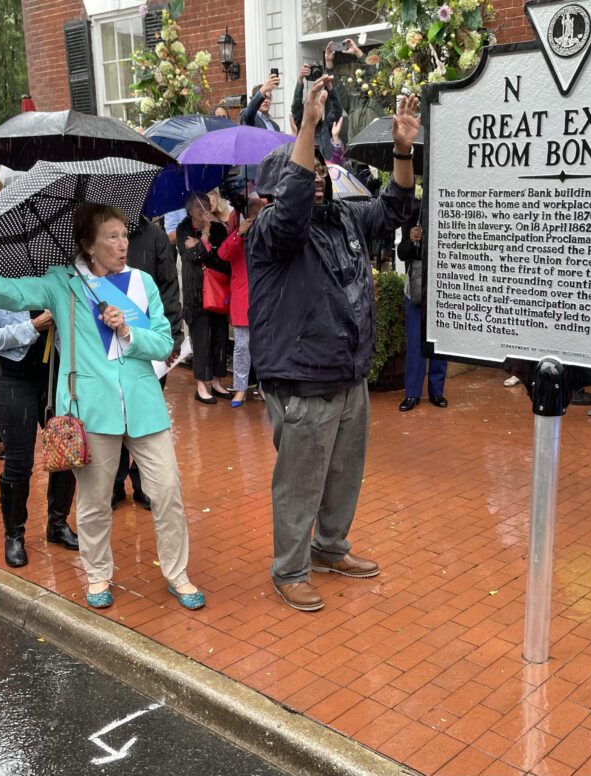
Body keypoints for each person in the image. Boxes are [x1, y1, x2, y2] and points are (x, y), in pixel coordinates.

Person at [0, 203, 204, 611]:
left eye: (125, 235)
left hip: (144, 406)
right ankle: (98, 573)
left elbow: (162, 342)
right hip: (91, 408)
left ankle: (178, 573)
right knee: (93, 500)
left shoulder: (141, 282)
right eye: (113, 236)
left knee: (168, 492)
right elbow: (11, 292)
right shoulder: (62, 284)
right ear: (88, 243)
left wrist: (126, 330)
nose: (124, 244)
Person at [247, 79, 417, 611]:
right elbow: (294, 206)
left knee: (344, 472)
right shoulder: (271, 232)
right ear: (276, 188)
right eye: (306, 172)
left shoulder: (344, 217)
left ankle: (329, 548)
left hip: (348, 373)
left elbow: (394, 210)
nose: (317, 179)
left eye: (321, 171)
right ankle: (290, 569)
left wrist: (403, 150)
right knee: (300, 482)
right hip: (302, 378)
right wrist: (307, 125)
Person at [0, 302, 79, 567]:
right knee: (19, 462)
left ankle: (58, 524)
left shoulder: (48, 276)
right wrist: (34, 326)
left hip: (55, 375)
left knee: (66, 455)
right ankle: (14, 535)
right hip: (10, 378)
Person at [113, 216, 185, 511]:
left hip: (148, 344)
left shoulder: (153, 235)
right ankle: (114, 484)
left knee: (144, 418)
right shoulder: (98, 235)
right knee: (115, 418)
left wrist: (174, 337)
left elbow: (169, 288)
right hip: (111, 349)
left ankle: (143, 484)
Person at [178, 192, 232, 403]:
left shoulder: (219, 228)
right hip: (196, 293)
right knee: (201, 339)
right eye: (199, 208)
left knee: (220, 336)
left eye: (207, 206)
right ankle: (202, 385)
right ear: (190, 210)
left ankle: (218, 381)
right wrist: (206, 238)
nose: (204, 211)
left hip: (217, 290)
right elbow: (192, 256)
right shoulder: (184, 228)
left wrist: (202, 244)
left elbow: (224, 260)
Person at [397, 201, 447, 411]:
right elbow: (402, 253)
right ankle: (412, 393)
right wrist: (411, 239)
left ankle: (437, 392)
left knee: (439, 344)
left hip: (441, 289)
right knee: (415, 344)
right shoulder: (414, 213)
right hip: (416, 290)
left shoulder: (447, 209)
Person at [219, 195, 264, 407]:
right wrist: (239, 232)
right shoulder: (238, 236)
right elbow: (224, 254)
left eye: (260, 214)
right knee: (242, 346)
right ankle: (240, 388)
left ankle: (265, 387)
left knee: (265, 345)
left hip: (265, 298)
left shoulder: (268, 235)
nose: (257, 218)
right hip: (242, 298)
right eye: (253, 215)